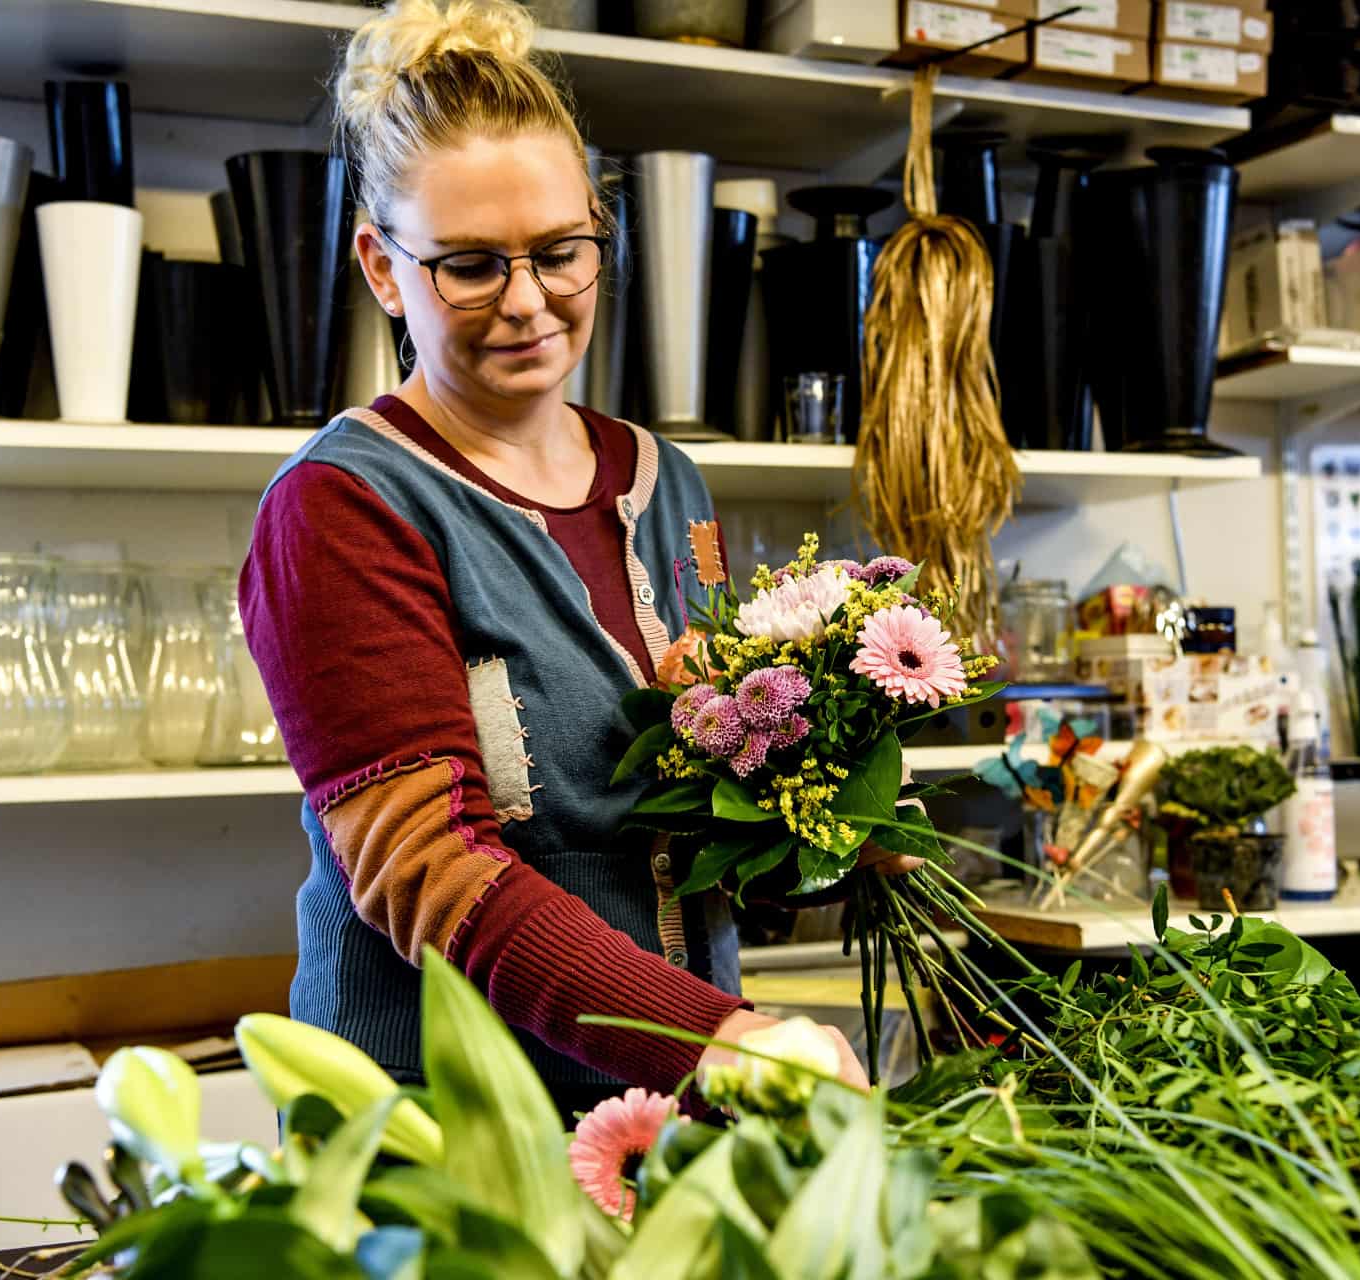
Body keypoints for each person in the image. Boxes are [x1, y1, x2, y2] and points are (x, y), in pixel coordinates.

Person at [240, 0, 912, 1116]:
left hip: (680, 1102)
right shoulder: (340, 508)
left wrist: (843, 820)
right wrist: (715, 1034)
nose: (528, 302)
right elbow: (430, 869)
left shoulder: (666, 480)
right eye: (467, 266)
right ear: (381, 266)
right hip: (450, 1122)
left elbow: (706, 777)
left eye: (561, 253)